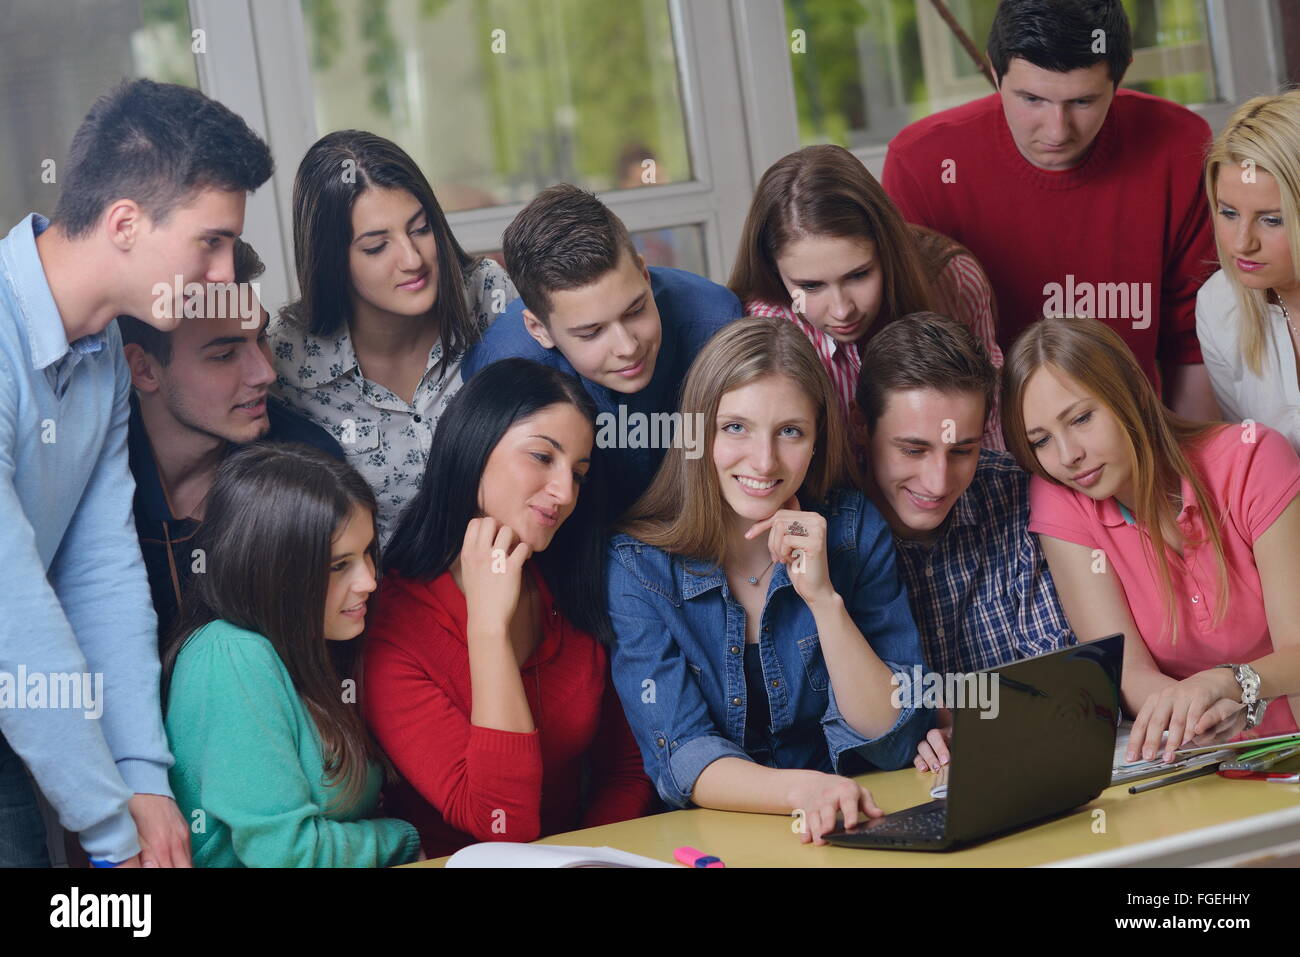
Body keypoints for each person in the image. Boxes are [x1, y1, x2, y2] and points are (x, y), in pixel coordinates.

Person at [0, 78, 272, 868]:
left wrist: (142, 776)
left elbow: (100, 570)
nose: (224, 274)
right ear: (125, 223)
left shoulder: (103, 362)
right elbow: (11, 608)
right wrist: (118, 836)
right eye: (209, 242)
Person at [606, 316, 928, 845]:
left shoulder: (851, 529)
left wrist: (823, 600)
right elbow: (682, 756)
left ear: (817, 439)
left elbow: (890, 737)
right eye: (735, 427)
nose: (764, 460)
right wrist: (806, 791)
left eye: (790, 432)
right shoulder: (638, 564)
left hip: (857, 826)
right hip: (723, 841)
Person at [363, 358, 655, 857]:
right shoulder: (392, 626)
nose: (564, 492)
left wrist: (595, 862)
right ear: (474, 448)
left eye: (578, 474)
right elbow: (502, 825)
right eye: (543, 457)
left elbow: (628, 772)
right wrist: (489, 631)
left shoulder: (570, 585)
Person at [881, 0, 1219, 420]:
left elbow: (1193, 342)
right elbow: (908, 359)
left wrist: (1187, 472)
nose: (1057, 131)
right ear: (994, 71)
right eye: (1032, 99)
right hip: (979, 447)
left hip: (1132, 439)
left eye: (1082, 101)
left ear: (1122, 74)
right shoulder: (922, 164)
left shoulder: (1179, 145)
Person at [1003, 316, 1300, 765]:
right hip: (1203, 758)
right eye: (1041, 440)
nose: (1067, 456)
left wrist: (1228, 682)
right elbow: (1127, 670)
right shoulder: (1061, 495)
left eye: (1081, 418)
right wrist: (1200, 714)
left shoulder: (1253, 458)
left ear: (1134, 395)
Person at [163, 444, 422, 867]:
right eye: (340, 565)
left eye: (367, 554)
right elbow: (285, 855)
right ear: (274, 570)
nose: (370, 582)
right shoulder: (231, 656)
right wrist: (403, 837)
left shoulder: (308, 646)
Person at [268, 130, 516, 544]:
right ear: (332, 260)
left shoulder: (487, 296)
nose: (412, 260)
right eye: (376, 247)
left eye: (420, 229)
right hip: (375, 602)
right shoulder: (287, 361)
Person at [852, 313, 1074, 771]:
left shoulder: (1017, 495)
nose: (937, 482)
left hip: (1031, 769)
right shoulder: (836, 535)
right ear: (862, 430)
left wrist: (976, 723)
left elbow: (1064, 677)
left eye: (961, 451)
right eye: (913, 450)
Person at [462, 184, 742, 518]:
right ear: (539, 329)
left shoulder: (715, 321)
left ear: (643, 272)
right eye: (591, 332)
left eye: (635, 310)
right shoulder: (503, 369)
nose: (627, 348)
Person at [119, 238, 344, 644]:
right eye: (224, 355)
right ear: (144, 369)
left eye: (260, 337)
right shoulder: (91, 488)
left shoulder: (309, 464)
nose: (264, 374)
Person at [731, 144, 1005, 450]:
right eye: (810, 286)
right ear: (773, 269)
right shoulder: (765, 329)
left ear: (888, 249)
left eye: (859, 275)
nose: (841, 310)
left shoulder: (953, 282)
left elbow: (989, 433)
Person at [1197, 90, 1300, 451]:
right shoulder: (1218, 302)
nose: (1241, 244)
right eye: (1228, 213)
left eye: (1271, 220)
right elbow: (1255, 464)